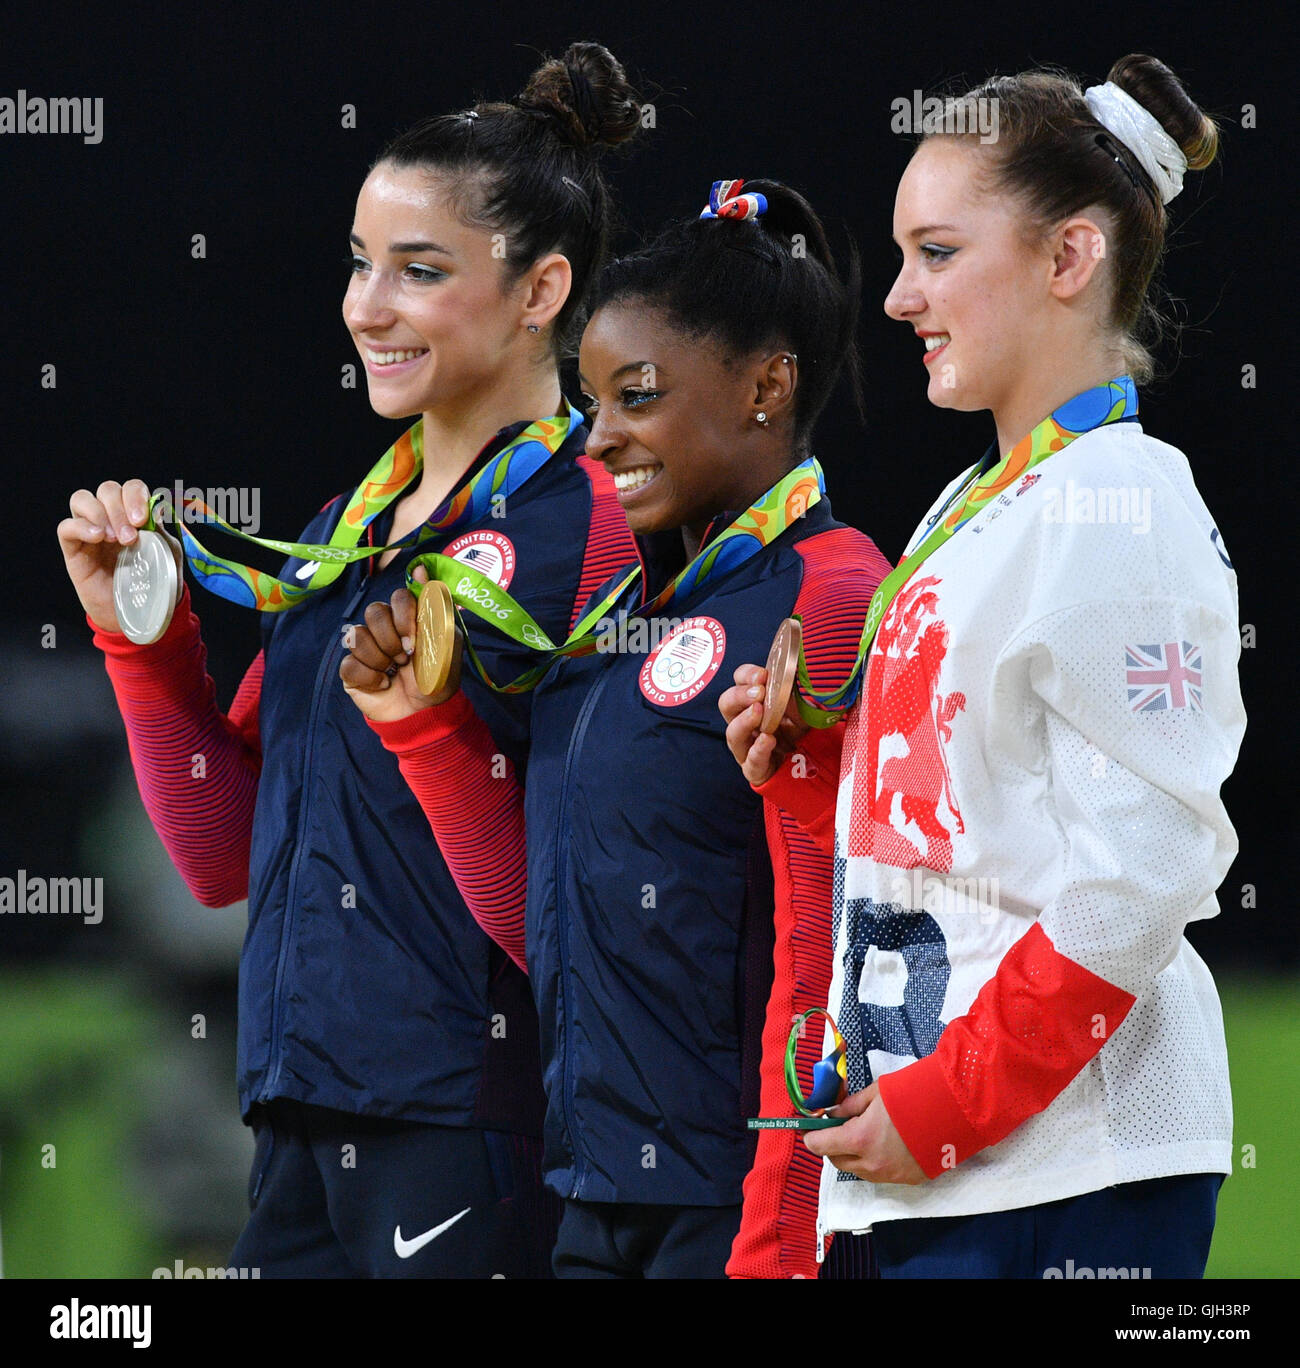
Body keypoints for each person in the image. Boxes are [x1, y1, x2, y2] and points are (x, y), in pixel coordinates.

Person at [56, 41, 645, 1278]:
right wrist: (138, 639)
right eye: (360, 266)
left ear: (540, 292)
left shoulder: (595, 523)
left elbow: (603, 888)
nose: (366, 308)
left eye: (418, 272)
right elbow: (221, 861)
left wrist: (435, 729)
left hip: (477, 1112)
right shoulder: (340, 538)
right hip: (298, 1111)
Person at [722, 54, 1244, 1279]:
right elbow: (971, 821)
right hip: (940, 1167)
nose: (897, 299)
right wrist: (814, 763)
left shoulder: (1121, 500)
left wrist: (951, 1104)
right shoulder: (975, 498)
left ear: (1069, 261)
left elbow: (1148, 863)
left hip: (1069, 1174)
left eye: (937, 254)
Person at [342, 179, 892, 1277]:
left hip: (754, 1199)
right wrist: (423, 731)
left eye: (633, 397)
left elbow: (845, 930)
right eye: (591, 402)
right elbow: (542, 925)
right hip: (591, 1198)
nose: (598, 440)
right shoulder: (611, 627)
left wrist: (780, 1199)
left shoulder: (834, 597)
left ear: (766, 387)